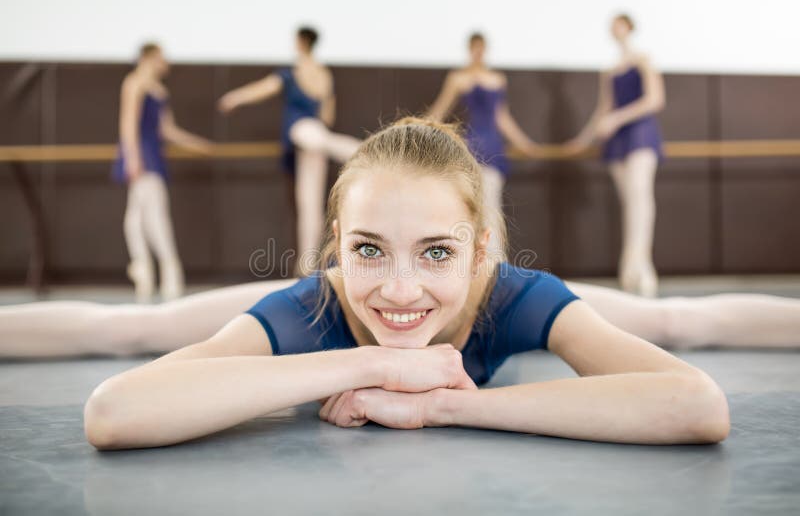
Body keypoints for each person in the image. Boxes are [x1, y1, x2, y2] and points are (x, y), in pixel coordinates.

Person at [82, 118, 730, 449]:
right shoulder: (313, 304)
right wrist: (362, 366)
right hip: (340, 314)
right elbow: (114, 412)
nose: (399, 288)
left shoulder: (514, 294)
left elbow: (697, 406)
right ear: (337, 245)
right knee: (138, 327)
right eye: (369, 248)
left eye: (435, 251)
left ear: (478, 252)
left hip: (476, 302)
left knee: (675, 320)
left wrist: (441, 404)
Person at [217, 26, 361, 276]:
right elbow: (328, 115)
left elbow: (261, 89)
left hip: (304, 131)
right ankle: (306, 265)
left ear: (300, 43)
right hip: (313, 136)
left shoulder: (292, 73)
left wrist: (234, 98)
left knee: (311, 188)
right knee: (309, 204)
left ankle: (358, 150)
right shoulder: (324, 75)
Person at [564, 14, 665, 297]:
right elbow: (603, 110)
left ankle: (640, 267)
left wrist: (618, 119)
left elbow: (655, 99)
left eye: (620, 24)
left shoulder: (643, 59)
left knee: (640, 196)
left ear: (630, 27)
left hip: (641, 133)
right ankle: (632, 269)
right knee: (630, 202)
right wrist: (583, 139)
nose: (615, 29)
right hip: (618, 140)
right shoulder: (609, 71)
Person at [113, 43, 213, 303]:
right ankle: (161, 269)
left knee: (138, 214)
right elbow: (128, 123)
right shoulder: (134, 83)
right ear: (148, 58)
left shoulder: (159, 90)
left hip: (152, 154)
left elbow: (167, 130)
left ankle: (147, 268)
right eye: (161, 58)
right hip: (141, 155)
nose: (165, 62)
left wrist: (196, 144)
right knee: (145, 214)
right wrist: (133, 158)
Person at [427, 32, 542, 257]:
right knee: (470, 207)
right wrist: (415, 127)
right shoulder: (458, 78)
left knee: (492, 207)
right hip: (471, 145)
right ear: (469, 49)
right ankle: (475, 260)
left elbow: (502, 117)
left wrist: (524, 143)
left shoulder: (497, 78)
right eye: (474, 48)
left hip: (492, 145)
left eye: (481, 48)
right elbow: (439, 111)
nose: (478, 52)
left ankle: (496, 263)